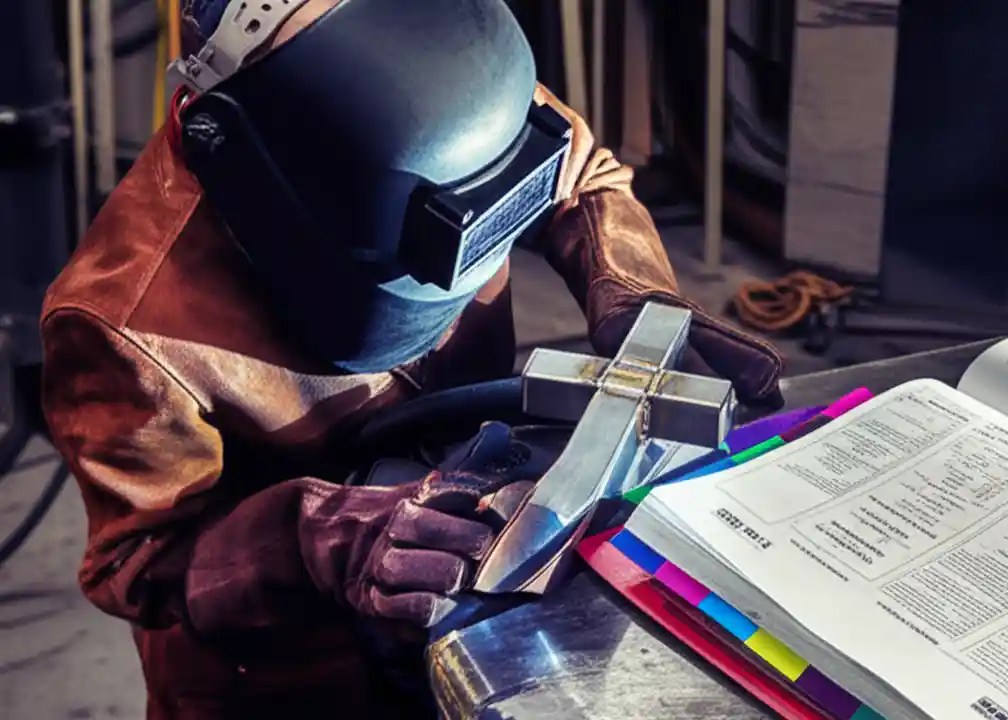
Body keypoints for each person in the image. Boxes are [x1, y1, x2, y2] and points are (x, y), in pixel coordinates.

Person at [39, 0, 782, 717]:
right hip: (283, 680)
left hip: (462, 590)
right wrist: (317, 535)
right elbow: (136, 563)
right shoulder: (123, 319)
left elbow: (580, 176)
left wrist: (626, 285)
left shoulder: (447, 91)